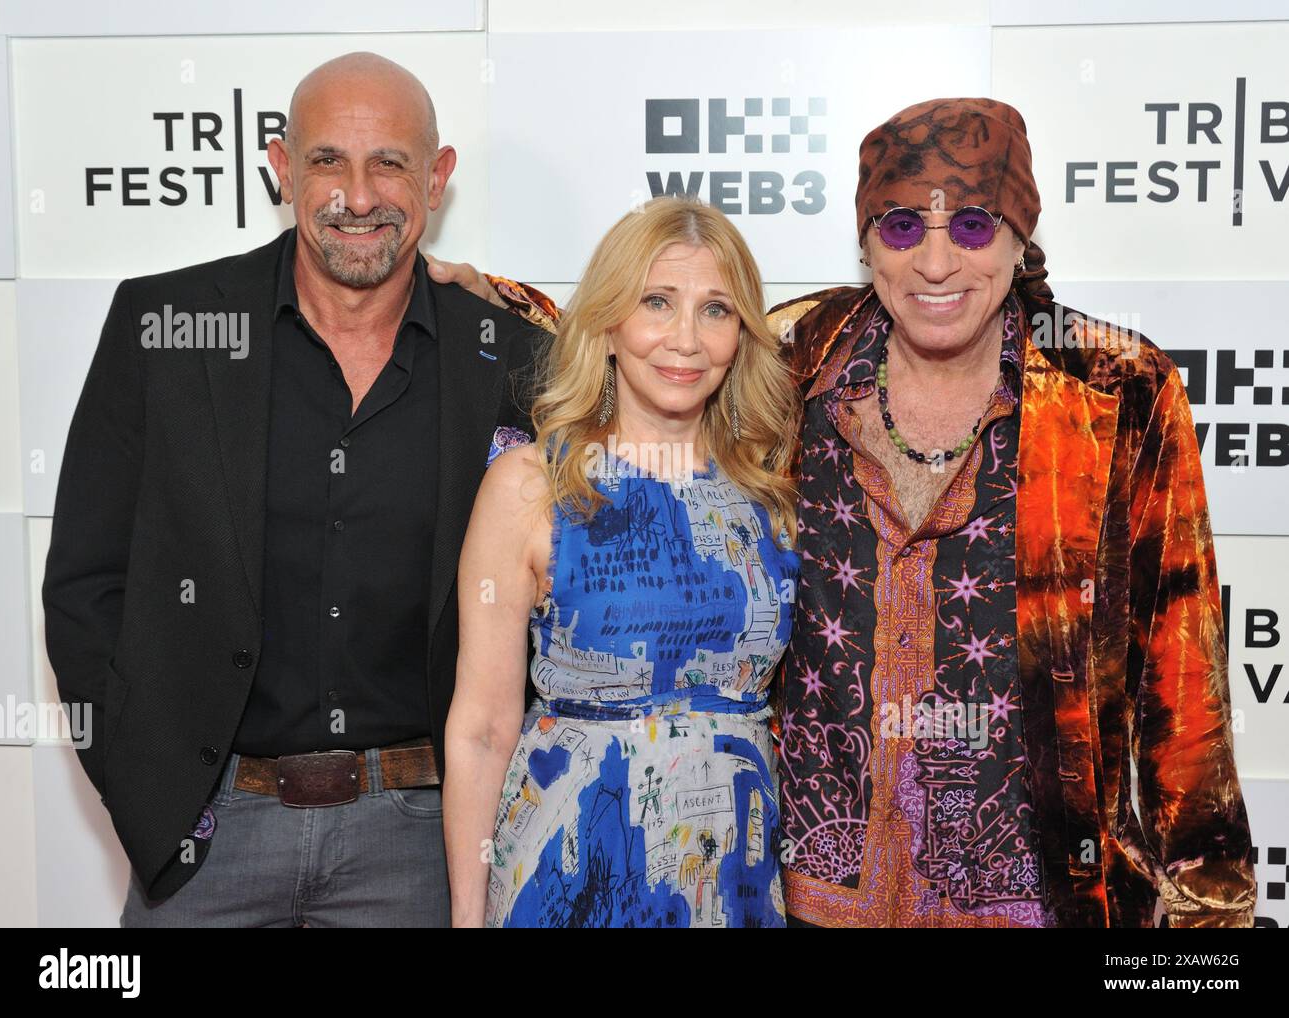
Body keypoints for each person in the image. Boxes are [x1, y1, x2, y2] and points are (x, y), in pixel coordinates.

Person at [435, 97, 1256, 927]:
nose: (937, 264)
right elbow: (663, 335)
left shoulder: (1116, 392)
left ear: (1020, 234)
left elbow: (1181, 671)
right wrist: (475, 294)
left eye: (973, 225)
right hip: (811, 900)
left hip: (1035, 895)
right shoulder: (808, 358)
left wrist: (1209, 918)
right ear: (866, 244)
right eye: (902, 227)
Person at [42, 51, 545, 926]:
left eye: (388, 161)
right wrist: (148, 789)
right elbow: (87, 584)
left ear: (438, 175)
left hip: (423, 845)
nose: (358, 196)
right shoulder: (166, 328)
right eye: (326, 161)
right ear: (280, 167)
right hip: (207, 842)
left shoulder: (511, 360)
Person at [443, 196, 801, 927]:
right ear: (607, 323)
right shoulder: (532, 484)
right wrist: (465, 917)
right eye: (656, 302)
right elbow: (481, 727)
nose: (685, 339)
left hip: (734, 870)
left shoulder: (771, 490)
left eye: (716, 310)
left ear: (742, 335)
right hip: (570, 865)